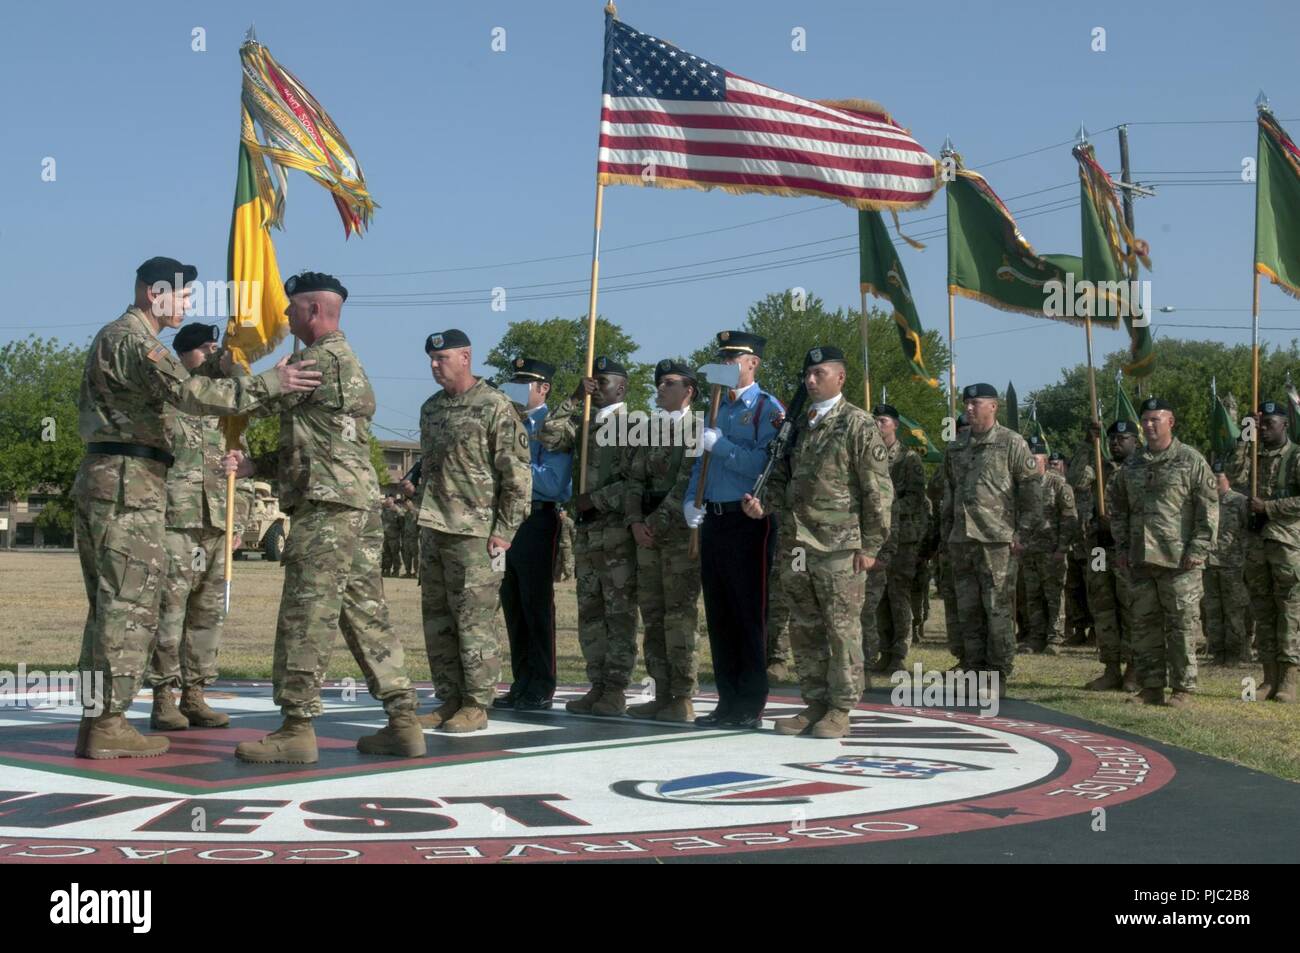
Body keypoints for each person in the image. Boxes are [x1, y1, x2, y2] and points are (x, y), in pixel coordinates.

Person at [74, 256, 319, 760]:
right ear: (152, 294)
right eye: (182, 295)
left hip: (125, 480)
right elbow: (191, 392)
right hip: (127, 484)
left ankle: (101, 721)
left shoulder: (124, 338)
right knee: (126, 609)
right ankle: (108, 722)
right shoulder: (133, 340)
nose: (188, 304)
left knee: (109, 610)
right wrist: (274, 381)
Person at [224, 272, 423, 761]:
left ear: (313, 311)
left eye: (291, 309)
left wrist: (230, 361)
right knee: (365, 614)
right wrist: (257, 466)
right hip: (354, 504)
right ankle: (403, 720)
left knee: (305, 615)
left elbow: (251, 399)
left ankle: (296, 728)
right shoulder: (345, 360)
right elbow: (315, 442)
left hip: (326, 509)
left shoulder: (316, 361)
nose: (286, 317)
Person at [741, 346, 891, 738]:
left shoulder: (857, 424)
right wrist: (763, 505)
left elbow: (877, 491)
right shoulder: (796, 424)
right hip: (796, 544)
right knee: (804, 627)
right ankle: (815, 702)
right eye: (807, 374)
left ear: (840, 378)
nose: (810, 380)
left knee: (841, 628)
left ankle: (841, 708)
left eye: (819, 373)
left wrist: (872, 546)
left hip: (839, 545)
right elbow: (780, 476)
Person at [402, 328, 532, 732]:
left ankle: (476, 704)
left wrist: (505, 530)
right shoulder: (431, 409)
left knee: (475, 622)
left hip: (477, 534)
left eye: (442, 359)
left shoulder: (495, 406)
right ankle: (450, 697)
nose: (435, 366)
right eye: (431, 360)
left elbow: (517, 477)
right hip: (434, 528)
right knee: (439, 621)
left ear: (466, 357)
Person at [146, 322, 254, 731]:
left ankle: (196, 694)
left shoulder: (226, 410)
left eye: (217, 348)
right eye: (206, 349)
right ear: (184, 354)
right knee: (170, 612)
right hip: (177, 522)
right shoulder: (167, 400)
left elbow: (242, 469)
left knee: (209, 616)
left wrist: (238, 521)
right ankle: (163, 696)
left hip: (217, 524)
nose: (214, 355)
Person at [684, 331, 783, 730]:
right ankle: (727, 700)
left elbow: (764, 465)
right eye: (722, 358)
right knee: (720, 613)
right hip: (714, 518)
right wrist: (690, 500)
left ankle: (749, 702)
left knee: (747, 612)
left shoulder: (765, 408)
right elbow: (698, 465)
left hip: (748, 520)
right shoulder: (715, 407)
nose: (726, 364)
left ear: (752, 363)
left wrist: (721, 446)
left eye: (733, 358)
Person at [538, 357, 638, 716]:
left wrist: (594, 498)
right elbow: (548, 435)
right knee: (590, 611)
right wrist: (574, 397)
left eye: (603, 382)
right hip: (587, 531)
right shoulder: (583, 423)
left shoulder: (633, 425)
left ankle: (615, 688)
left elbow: (635, 481)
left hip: (615, 531)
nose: (596, 387)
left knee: (619, 611)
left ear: (622, 387)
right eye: (592, 381)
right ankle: (596, 683)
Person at [1109, 397, 1217, 707]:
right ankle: (1151, 686)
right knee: (1144, 626)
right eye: (1145, 420)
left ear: (1171, 422)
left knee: (1182, 625)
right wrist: (1123, 547)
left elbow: (1208, 508)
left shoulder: (1190, 460)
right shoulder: (1132, 464)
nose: (1149, 425)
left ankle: (1183, 688)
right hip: (1141, 560)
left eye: (1156, 419)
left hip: (1180, 559)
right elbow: (1118, 508)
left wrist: (1198, 548)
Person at [941, 384, 1039, 691]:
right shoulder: (956, 446)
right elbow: (949, 492)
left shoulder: (1011, 442)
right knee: (967, 609)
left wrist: (1022, 532)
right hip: (962, 540)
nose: (969, 408)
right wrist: (946, 535)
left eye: (976, 403)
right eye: (967, 403)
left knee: (997, 608)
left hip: (997, 540)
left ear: (993, 406)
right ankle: (972, 666)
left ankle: (998, 671)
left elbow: (1032, 490)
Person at [624, 360, 702, 722]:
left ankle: (683, 696)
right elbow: (634, 480)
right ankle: (661, 691)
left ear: (688, 391)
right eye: (658, 383)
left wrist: (654, 523)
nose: (660, 388)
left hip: (678, 536)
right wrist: (636, 522)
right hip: (648, 534)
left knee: (679, 617)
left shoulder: (698, 430)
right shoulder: (648, 429)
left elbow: (687, 482)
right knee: (653, 617)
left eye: (669, 383)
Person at [495, 357, 572, 711]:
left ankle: (541, 684)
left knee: (536, 605)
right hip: (504, 521)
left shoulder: (555, 426)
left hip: (537, 519)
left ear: (544, 389)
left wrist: (514, 470)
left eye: (525, 383)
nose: (515, 389)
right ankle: (521, 680)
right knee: (512, 604)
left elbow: (554, 482)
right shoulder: (506, 422)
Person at [1244, 400, 1300, 702]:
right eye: (1260, 425)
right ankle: (1268, 676)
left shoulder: (1296, 457)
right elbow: (1230, 471)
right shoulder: (1254, 455)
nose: (1264, 430)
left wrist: (1270, 507)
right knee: (1263, 610)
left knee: (1289, 610)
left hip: (1287, 545)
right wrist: (1246, 435)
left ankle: (1290, 677)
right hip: (1256, 545)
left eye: (1269, 424)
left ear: (1285, 425)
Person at [865, 403, 927, 673]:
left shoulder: (908, 458)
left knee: (898, 594)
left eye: (883, 421)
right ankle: (884, 650)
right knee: (878, 596)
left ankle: (899, 653)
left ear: (895, 425)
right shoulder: (870, 456)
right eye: (875, 421)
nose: (878, 426)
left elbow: (916, 498)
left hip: (903, 536)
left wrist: (887, 506)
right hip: (877, 535)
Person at [1080, 421, 1139, 692]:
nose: (1116, 442)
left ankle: (1134, 669)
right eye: (1112, 438)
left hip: (1127, 548)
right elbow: (1076, 480)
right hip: (1099, 549)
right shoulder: (1099, 467)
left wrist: (1114, 524)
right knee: (1103, 608)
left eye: (1123, 438)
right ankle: (1111, 668)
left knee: (1131, 608)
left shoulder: (1140, 468)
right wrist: (1087, 443)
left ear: (1135, 442)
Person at [1017, 435, 1077, 655]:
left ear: (1043, 458)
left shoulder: (1058, 483)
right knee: (1032, 596)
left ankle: (1055, 638)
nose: (1029, 462)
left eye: (1034, 457)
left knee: (1053, 596)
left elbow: (1069, 518)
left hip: (1052, 552)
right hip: (1029, 551)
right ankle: (1036, 637)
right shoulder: (1023, 485)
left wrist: (1062, 548)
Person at [1203, 462, 1250, 666]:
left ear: (1228, 479)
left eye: (1219, 478)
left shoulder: (1239, 501)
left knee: (1233, 611)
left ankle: (1235, 653)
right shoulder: (1205, 501)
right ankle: (1217, 652)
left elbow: (1249, 531)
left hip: (1233, 564)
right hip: (1209, 564)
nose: (1215, 482)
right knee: (1212, 610)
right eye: (1212, 478)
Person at [381, 497, 403, 577]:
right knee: (386, 554)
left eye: (388, 503)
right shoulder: (384, 510)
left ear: (392, 502)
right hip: (386, 536)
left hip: (394, 536)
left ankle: (396, 571)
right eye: (386, 503)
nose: (387, 504)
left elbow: (401, 525)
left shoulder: (397, 511)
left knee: (395, 554)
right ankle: (387, 570)